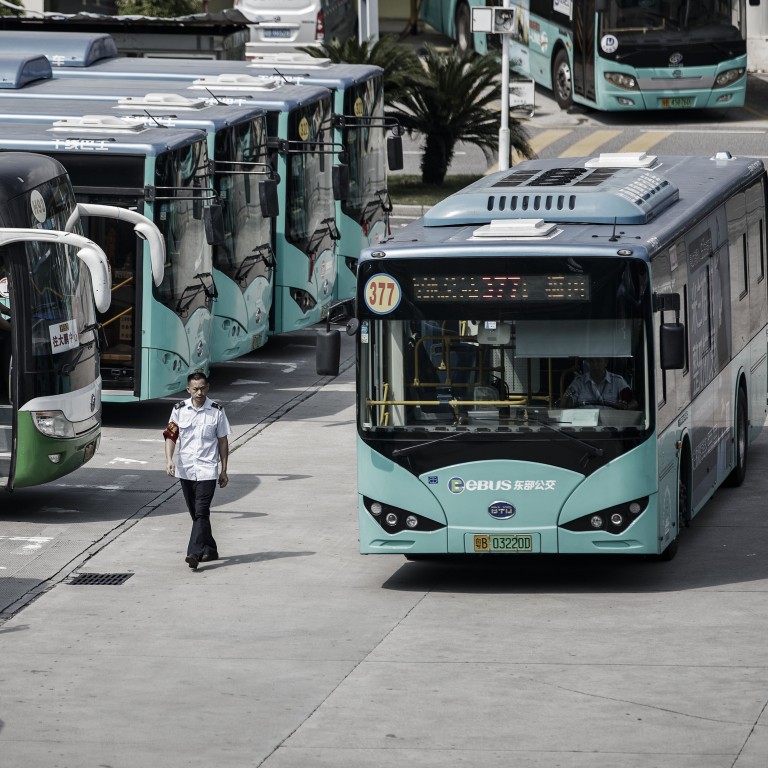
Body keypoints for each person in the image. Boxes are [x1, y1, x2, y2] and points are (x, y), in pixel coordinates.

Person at [163, 370, 231, 570]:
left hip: (207, 469)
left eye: (202, 388)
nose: (199, 393)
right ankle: (210, 549)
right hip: (186, 469)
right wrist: (169, 460)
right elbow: (171, 436)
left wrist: (224, 470)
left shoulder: (217, 411)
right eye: (195, 389)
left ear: (207, 388)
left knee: (201, 512)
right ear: (188, 390)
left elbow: (223, 441)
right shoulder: (179, 410)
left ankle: (194, 553)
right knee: (196, 513)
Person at [562, 357, 638, 410]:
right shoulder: (579, 382)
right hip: (584, 424)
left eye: (598, 361)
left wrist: (626, 407)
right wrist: (566, 398)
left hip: (610, 424)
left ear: (606, 362)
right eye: (592, 361)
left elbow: (634, 403)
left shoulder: (617, 381)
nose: (595, 365)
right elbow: (565, 405)